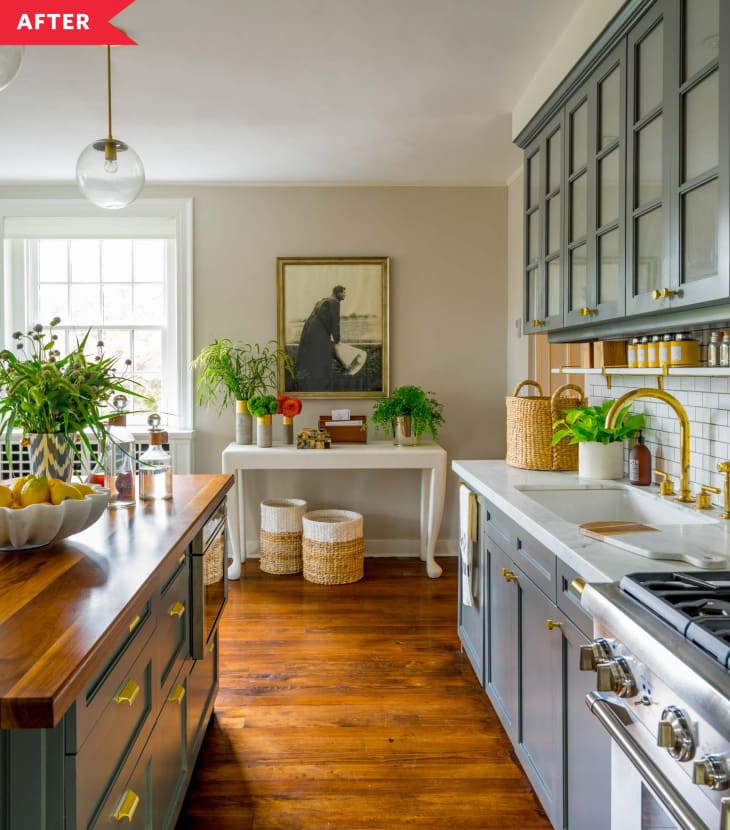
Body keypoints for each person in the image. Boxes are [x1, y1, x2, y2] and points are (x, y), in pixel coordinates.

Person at [295, 285, 346, 391]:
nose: (345, 295)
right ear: (337, 293)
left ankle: (311, 384)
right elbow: (335, 322)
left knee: (312, 358)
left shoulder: (323, 300)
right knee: (323, 358)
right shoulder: (334, 302)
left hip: (310, 330)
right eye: (343, 292)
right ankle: (322, 386)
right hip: (318, 332)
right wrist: (337, 340)